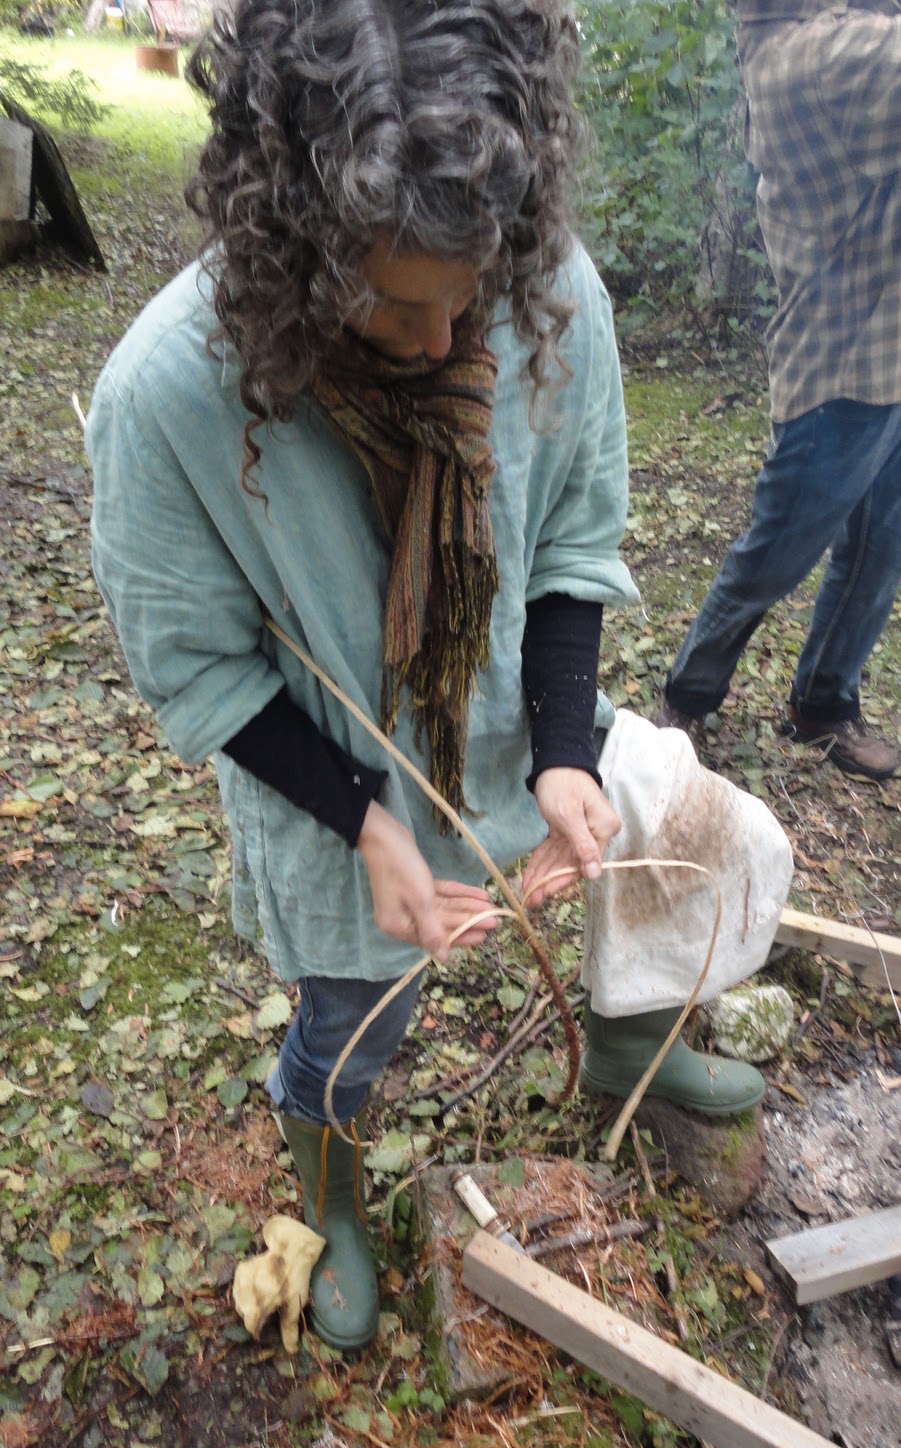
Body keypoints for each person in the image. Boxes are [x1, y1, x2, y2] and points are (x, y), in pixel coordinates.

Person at [87, 0, 760, 1355]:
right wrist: (372, 825)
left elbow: (570, 541)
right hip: (337, 773)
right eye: (395, 301)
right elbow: (203, 671)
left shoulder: (543, 287)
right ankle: (332, 1198)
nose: (451, 338)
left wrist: (564, 750)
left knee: (698, 843)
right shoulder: (170, 396)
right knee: (351, 1018)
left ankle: (625, 1038)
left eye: (469, 289)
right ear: (293, 248)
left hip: (513, 715)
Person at [658, 0, 901, 781]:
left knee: (878, 547)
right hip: (839, 368)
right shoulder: (808, 60)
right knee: (776, 549)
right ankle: (684, 702)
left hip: (890, 355)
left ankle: (822, 703)